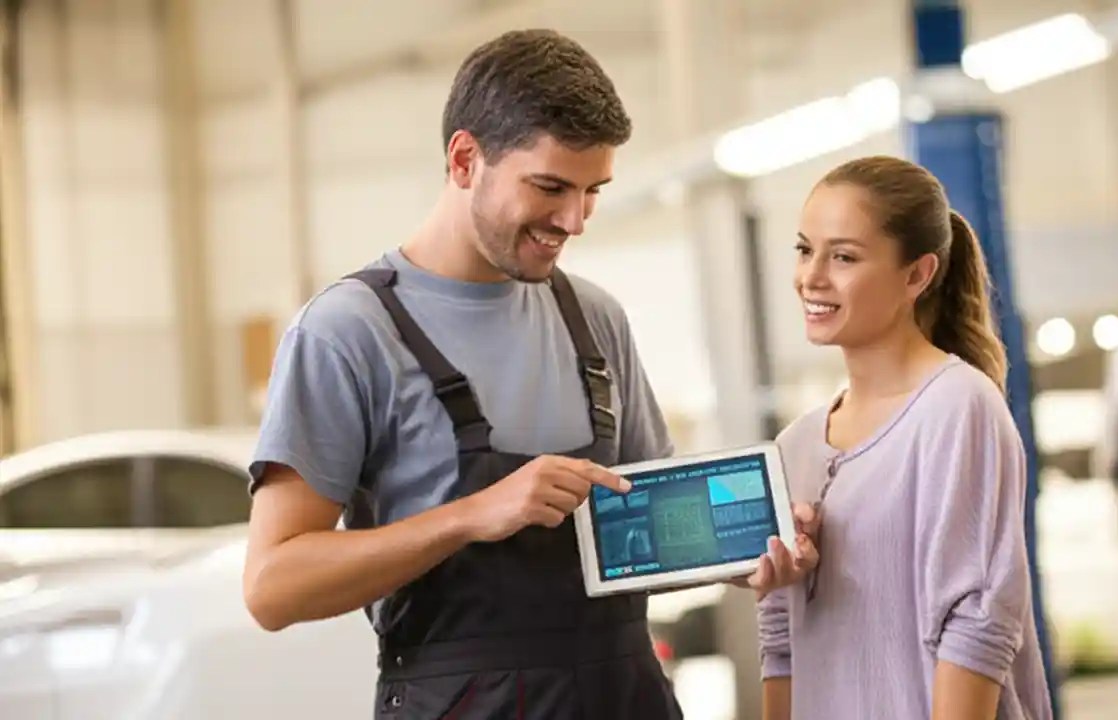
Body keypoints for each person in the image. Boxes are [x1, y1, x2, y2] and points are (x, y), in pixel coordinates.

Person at [241, 29, 686, 719]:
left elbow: (658, 522)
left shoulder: (594, 319)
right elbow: (273, 586)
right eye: (549, 187)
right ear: (464, 159)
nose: (574, 220)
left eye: (592, 191)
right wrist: (472, 516)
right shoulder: (348, 332)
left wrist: (757, 549)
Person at [756, 155, 1055, 719]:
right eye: (804, 249)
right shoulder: (794, 445)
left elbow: (977, 625)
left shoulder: (957, 407)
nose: (811, 277)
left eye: (843, 256)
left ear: (917, 274)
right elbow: (779, 640)